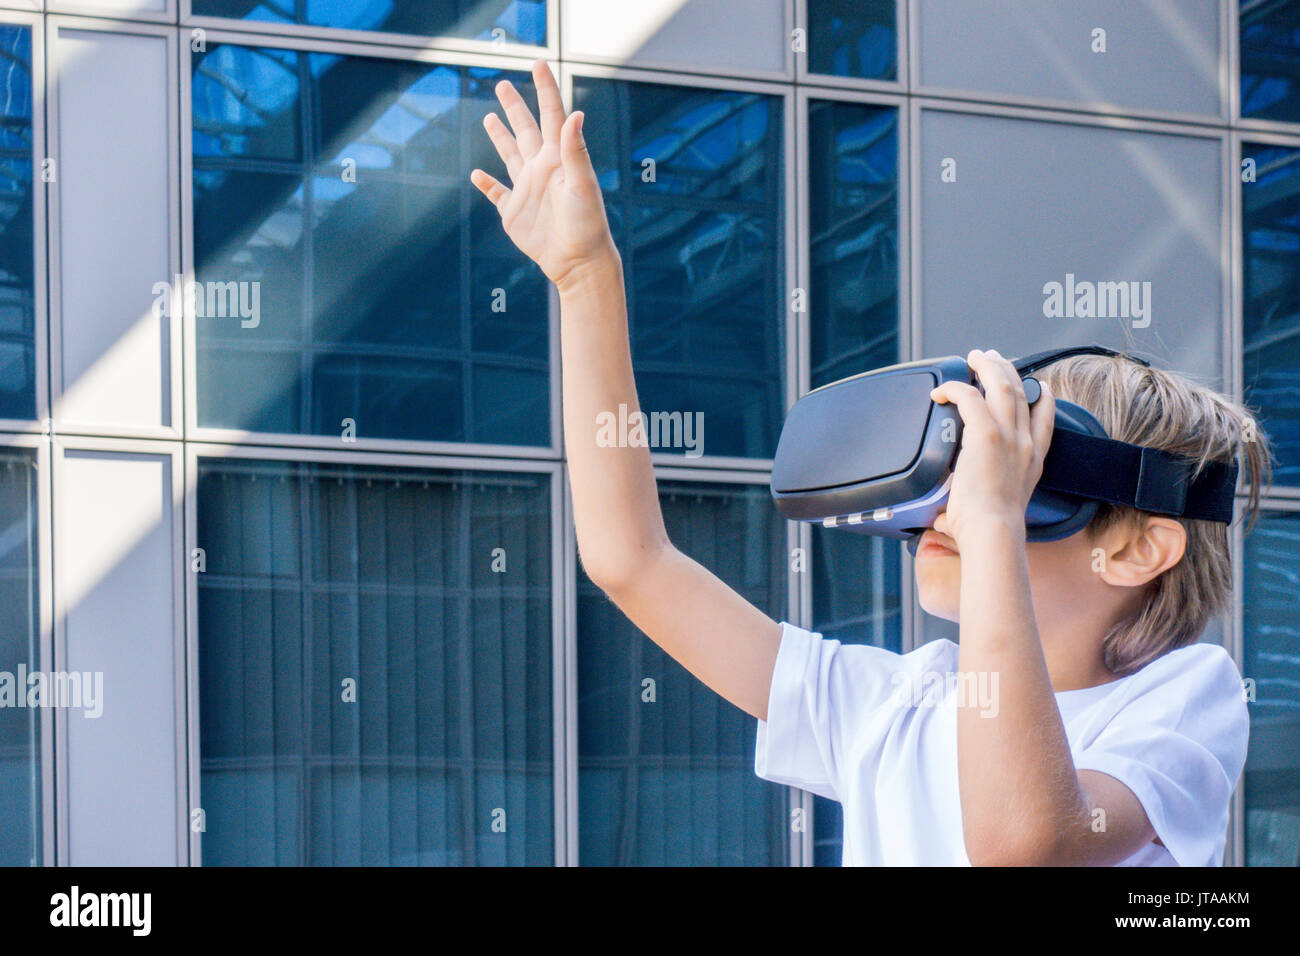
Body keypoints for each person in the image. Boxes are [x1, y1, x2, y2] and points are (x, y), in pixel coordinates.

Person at [470, 60, 1270, 866]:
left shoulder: (1180, 700)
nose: (959, 494)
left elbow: (1026, 842)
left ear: (1138, 548)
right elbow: (631, 561)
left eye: (1016, 462)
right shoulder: (901, 703)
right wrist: (585, 280)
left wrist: (988, 523)